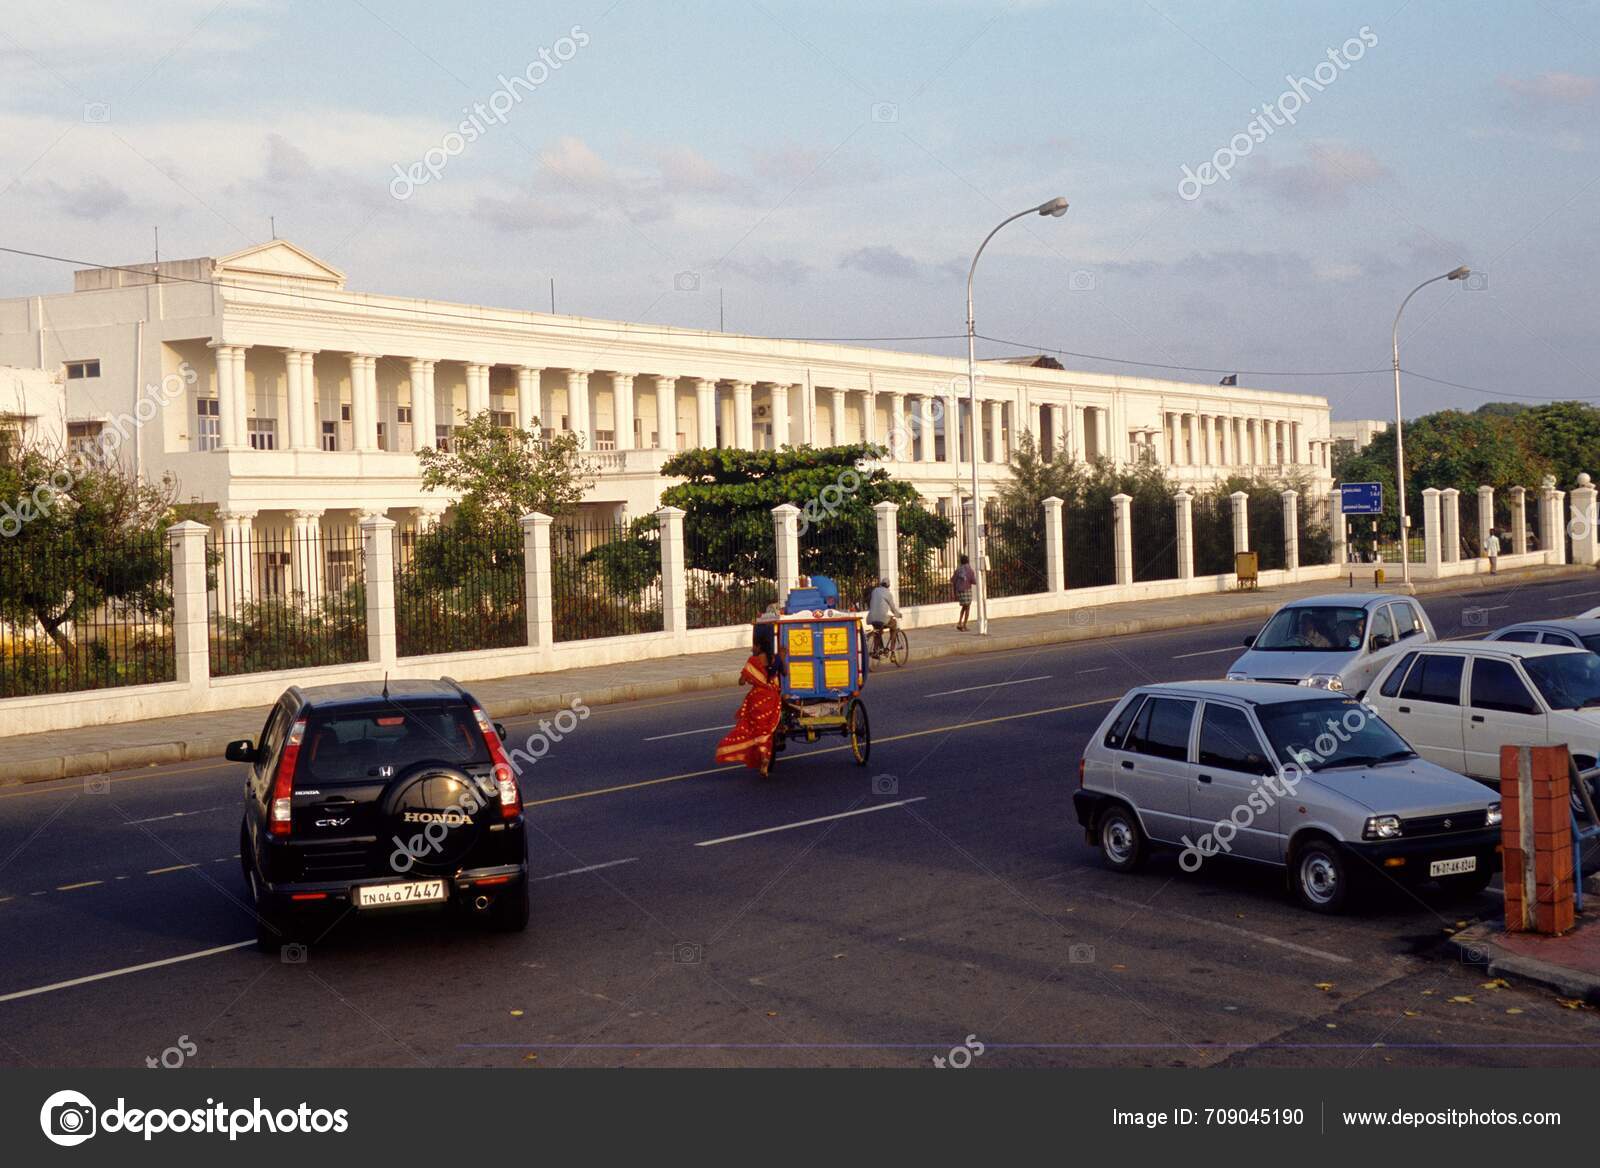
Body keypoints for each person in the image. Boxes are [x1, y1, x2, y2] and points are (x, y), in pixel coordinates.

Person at [715, 618, 784, 775]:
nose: (752, 648)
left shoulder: (753, 661)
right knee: (766, 730)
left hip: (758, 700)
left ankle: (763, 757)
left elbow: (741, 682)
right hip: (773, 699)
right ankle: (765, 759)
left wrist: (745, 676)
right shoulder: (775, 659)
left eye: (754, 646)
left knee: (753, 728)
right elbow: (783, 674)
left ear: (759, 646)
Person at [867, 578, 902, 654]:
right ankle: (892, 651)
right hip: (882, 618)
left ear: (881, 584)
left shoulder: (875, 591)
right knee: (894, 624)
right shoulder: (888, 593)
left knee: (878, 630)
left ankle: (876, 650)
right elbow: (893, 608)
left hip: (871, 617)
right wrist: (898, 615)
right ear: (888, 585)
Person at [951, 554, 977, 631]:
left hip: (960, 591)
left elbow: (953, 580)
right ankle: (964, 624)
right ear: (968, 561)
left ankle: (959, 622)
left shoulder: (958, 570)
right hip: (967, 590)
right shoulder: (970, 570)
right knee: (967, 607)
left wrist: (955, 592)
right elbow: (974, 581)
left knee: (963, 607)